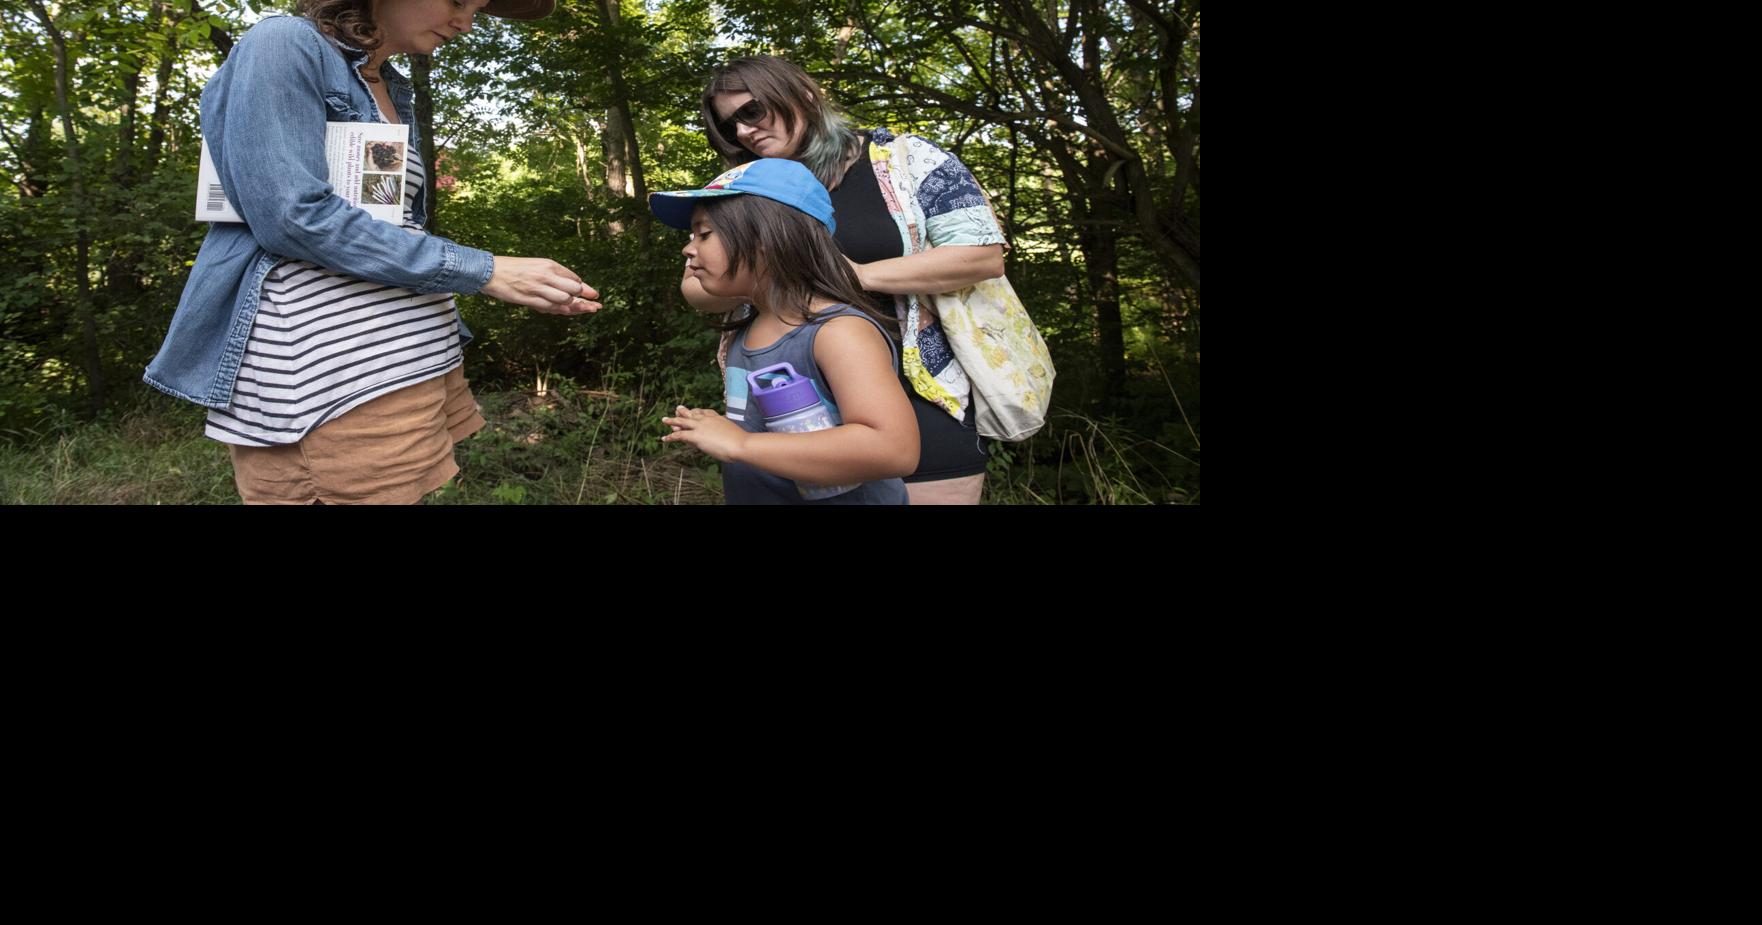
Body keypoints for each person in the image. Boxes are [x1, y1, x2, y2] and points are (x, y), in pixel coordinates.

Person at [144, 0, 600, 504]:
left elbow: (392, 224)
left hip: (413, 356)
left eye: (477, 9)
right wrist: (484, 270)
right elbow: (292, 217)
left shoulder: (386, 82)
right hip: (329, 379)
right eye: (456, 0)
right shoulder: (284, 43)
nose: (466, 22)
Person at [685, 55, 1007, 505]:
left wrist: (851, 276)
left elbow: (984, 255)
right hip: (789, 395)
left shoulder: (907, 159)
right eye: (728, 125)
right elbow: (699, 286)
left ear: (804, 94)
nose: (742, 131)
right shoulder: (741, 187)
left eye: (751, 111)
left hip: (920, 394)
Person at [655, 159, 919, 505]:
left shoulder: (838, 332)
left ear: (766, 239)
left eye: (704, 234)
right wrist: (730, 431)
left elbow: (894, 449)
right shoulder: (751, 328)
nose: (688, 249)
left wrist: (741, 444)